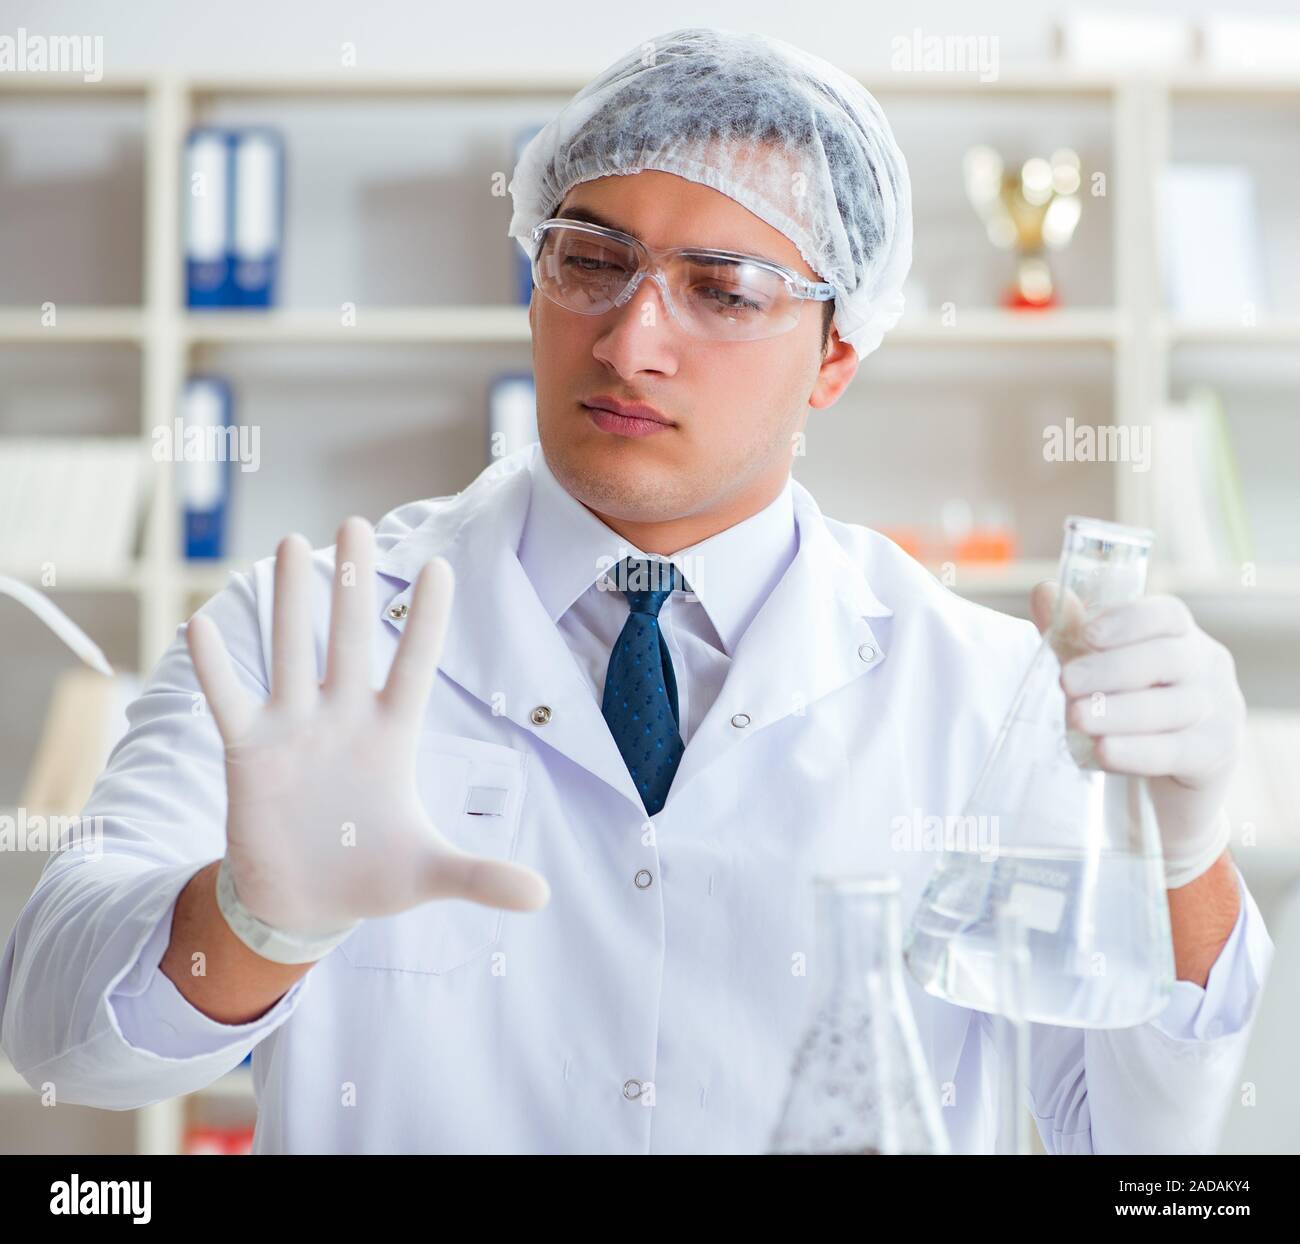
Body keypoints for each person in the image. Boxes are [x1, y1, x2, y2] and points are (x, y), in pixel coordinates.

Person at [0, 27, 1272, 1155]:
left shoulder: (983, 694)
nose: (627, 337)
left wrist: (1187, 854)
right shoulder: (308, 632)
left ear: (836, 353)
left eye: (721, 290)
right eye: (587, 261)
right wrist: (253, 918)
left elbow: (1139, 1144)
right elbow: (57, 1033)